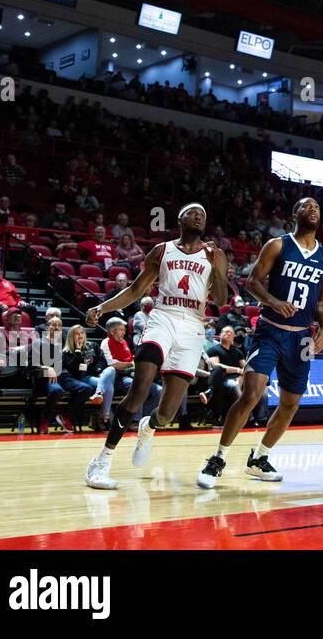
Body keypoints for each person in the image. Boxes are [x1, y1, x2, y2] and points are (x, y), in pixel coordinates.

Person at [83, 203, 227, 489]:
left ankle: (148, 427)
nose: (199, 215)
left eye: (203, 213)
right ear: (180, 220)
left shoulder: (215, 254)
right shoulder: (162, 250)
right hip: (163, 317)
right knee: (140, 388)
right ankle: (101, 461)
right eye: (192, 212)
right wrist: (102, 307)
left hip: (193, 326)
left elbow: (221, 300)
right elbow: (136, 290)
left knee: (167, 413)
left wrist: (219, 267)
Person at [198, 198, 323, 488]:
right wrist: (273, 301)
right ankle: (218, 458)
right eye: (306, 206)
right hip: (270, 330)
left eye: (317, 208)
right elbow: (252, 282)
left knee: (291, 403)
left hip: (302, 338)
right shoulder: (278, 245)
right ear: (294, 214)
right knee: (252, 393)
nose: (312, 210)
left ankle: (259, 458)